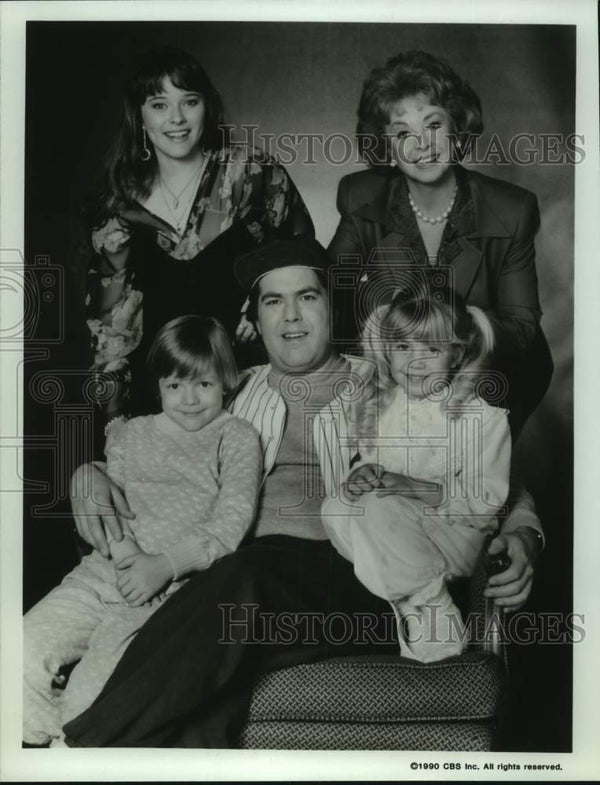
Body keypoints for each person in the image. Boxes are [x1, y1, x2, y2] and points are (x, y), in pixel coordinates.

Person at [63, 237, 543, 748]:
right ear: (255, 316)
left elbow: (491, 476)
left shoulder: (388, 380)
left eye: (307, 297)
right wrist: (88, 473)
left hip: (355, 577)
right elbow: (158, 453)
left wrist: (525, 534)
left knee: (245, 579)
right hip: (244, 587)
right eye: (274, 301)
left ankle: (84, 750)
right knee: (219, 670)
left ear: (330, 306)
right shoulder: (227, 390)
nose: (291, 316)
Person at [23, 315, 262, 747]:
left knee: (89, 703)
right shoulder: (131, 433)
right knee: (19, 650)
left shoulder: (237, 436)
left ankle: (67, 751)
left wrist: (164, 566)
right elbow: (106, 503)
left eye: (204, 384)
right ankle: (44, 749)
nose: (189, 399)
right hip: (102, 574)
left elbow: (232, 518)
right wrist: (126, 554)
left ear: (227, 381)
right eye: (175, 385)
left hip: (165, 595)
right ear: (159, 386)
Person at [328, 50, 553, 436]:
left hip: (490, 377)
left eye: (433, 125)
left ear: (457, 127)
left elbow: (520, 327)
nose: (422, 145)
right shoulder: (361, 198)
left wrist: (445, 332)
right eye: (403, 133)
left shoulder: (512, 208)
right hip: (399, 380)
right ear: (385, 145)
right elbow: (332, 289)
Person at [85, 45, 313, 425]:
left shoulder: (250, 173)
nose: (176, 118)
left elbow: (302, 257)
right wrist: (116, 426)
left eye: (189, 101)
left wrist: (259, 303)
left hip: (250, 388)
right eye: (159, 105)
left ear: (207, 106)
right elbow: (111, 333)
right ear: (139, 116)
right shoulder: (118, 206)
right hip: (160, 399)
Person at [322, 285, 511, 662]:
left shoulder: (482, 419)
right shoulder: (382, 405)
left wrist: (411, 486)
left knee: (376, 508)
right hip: (397, 531)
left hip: (456, 535)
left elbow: (485, 504)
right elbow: (371, 463)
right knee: (336, 506)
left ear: (457, 355)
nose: (415, 362)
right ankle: (409, 598)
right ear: (387, 351)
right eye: (403, 347)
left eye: (432, 350)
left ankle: (432, 607)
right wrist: (362, 475)